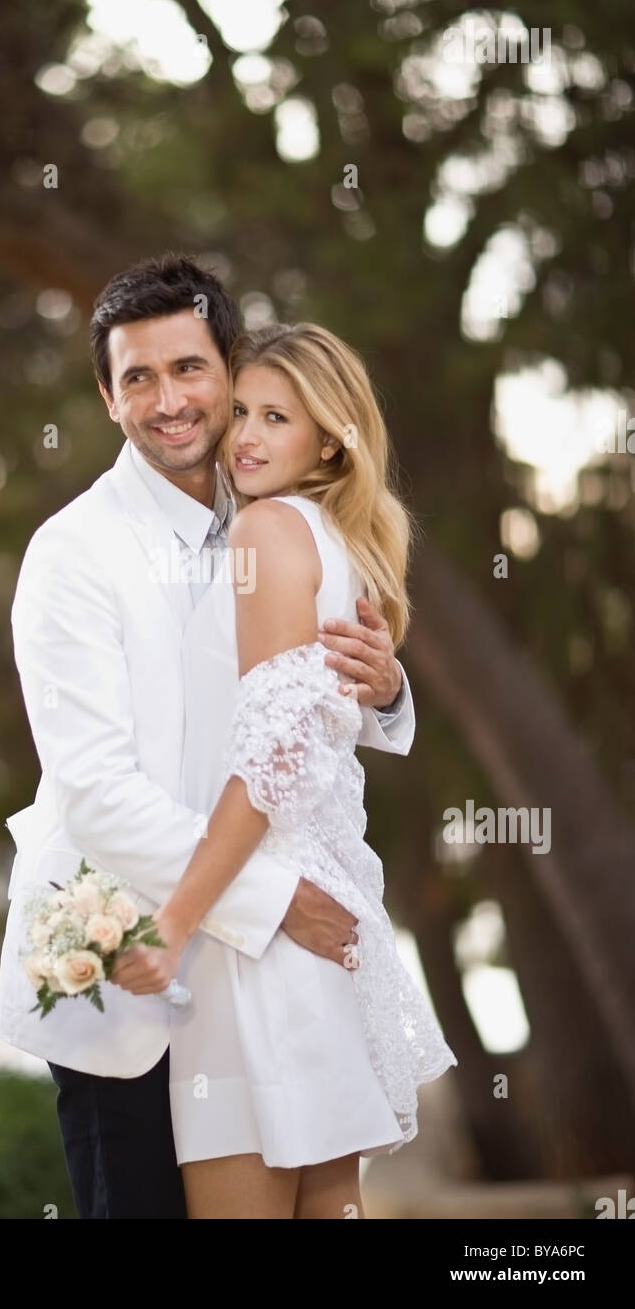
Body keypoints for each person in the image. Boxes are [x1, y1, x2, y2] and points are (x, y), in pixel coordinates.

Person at [0, 255, 415, 1219]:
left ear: (229, 372)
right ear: (106, 398)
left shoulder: (273, 513)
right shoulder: (73, 553)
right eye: (136, 377)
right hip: (130, 974)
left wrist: (387, 691)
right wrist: (271, 898)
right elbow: (97, 792)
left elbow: (301, 714)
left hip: (259, 976)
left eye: (189, 369)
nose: (168, 399)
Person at [111, 321, 457, 1219]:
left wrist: (175, 921)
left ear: (331, 435)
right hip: (324, 924)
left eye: (279, 418)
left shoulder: (266, 529)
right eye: (244, 414)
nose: (249, 437)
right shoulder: (338, 542)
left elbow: (272, 758)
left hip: (259, 937)